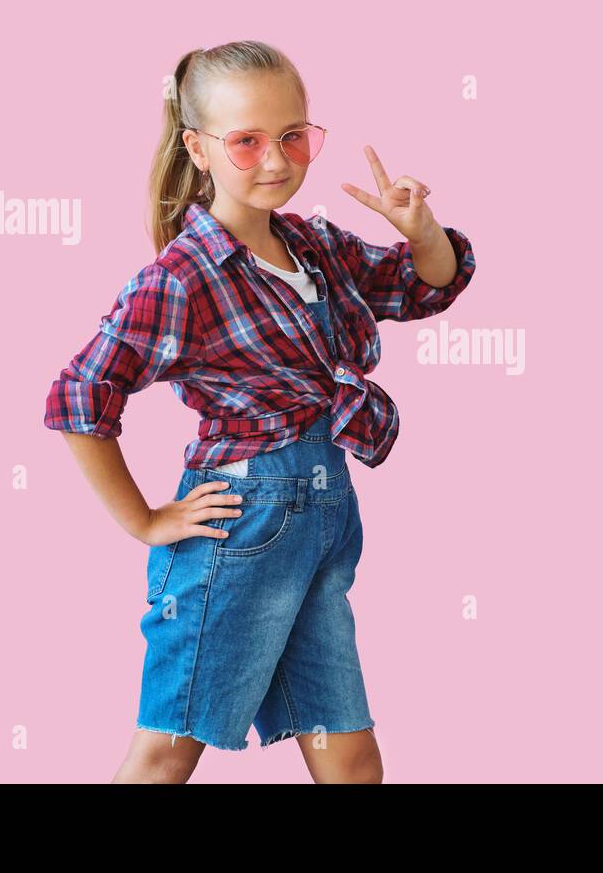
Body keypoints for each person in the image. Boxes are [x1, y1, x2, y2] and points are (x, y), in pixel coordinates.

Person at [42, 40, 476, 783]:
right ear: (199, 149)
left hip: (324, 517)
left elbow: (423, 287)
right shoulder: (182, 276)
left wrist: (420, 229)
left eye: (293, 137)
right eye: (246, 141)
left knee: (351, 757)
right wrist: (145, 520)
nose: (276, 160)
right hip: (243, 522)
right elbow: (81, 396)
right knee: (166, 754)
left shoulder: (313, 245)